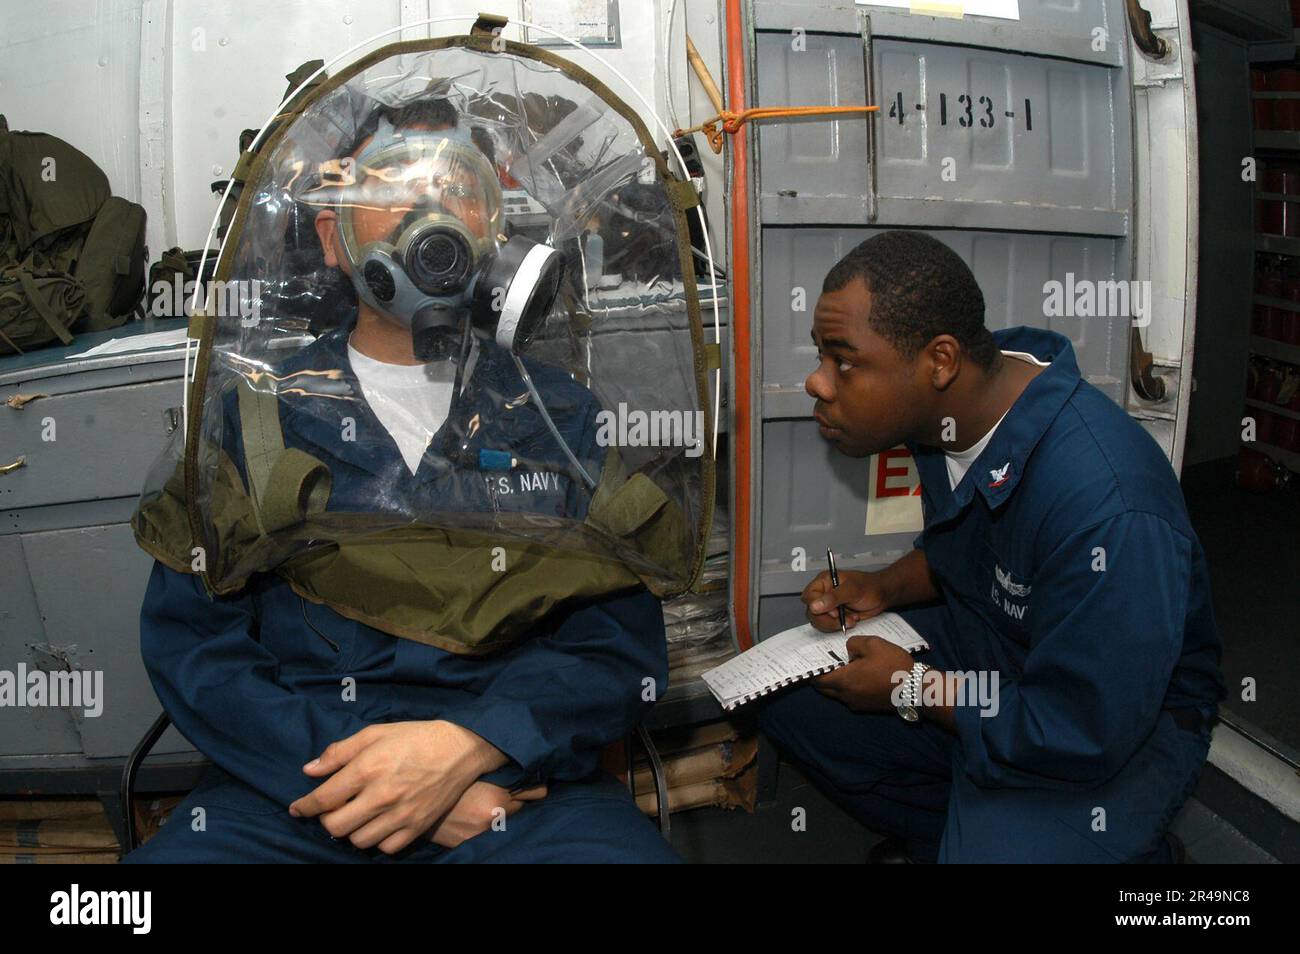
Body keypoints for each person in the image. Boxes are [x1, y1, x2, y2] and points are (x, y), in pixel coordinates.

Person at [123, 99, 679, 864]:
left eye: (459, 186)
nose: (430, 208)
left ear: (489, 228)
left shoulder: (559, 417)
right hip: (297, 788)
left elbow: (619, 645)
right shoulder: (255, 415)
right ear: (333, 236)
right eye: (392, 186)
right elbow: (194, 647)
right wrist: (370, 780)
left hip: (515, 790)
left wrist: (471, 748)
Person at [759, 230, 1225, 863]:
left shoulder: (1109, 509)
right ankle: (966, 827)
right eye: (820, 355)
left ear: (940, 361)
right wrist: (883, 587)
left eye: (843, 360)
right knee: (791, 698)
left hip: (1114, 721)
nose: (817, 382)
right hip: (998, 646)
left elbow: (1081, 726)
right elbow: (968, 556)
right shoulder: (945, 418)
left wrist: (915, 689)